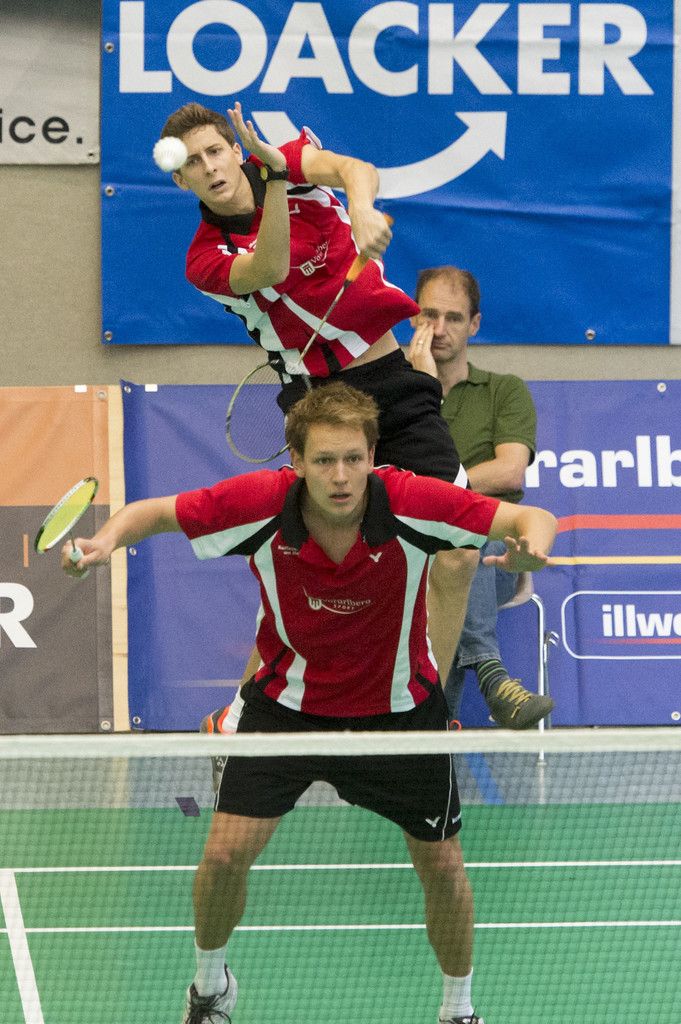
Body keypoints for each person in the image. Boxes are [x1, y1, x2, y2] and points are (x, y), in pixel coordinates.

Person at [61, 382, 557, 1024]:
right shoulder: (260, 505)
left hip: (399, 717)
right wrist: (103, 543)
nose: (342, 476)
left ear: (373, 455)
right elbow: (154, 512)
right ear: (295, 462)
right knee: (221, 856)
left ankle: (458, 1009)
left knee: (443, 867)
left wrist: (534, 543)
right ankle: (209, 988)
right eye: (324, 460)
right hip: (285, 713)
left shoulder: (407, 501)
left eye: (354, 458)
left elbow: (520, 516)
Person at [160, 100, 476, 692]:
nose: (210, 167)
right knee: (316, 570)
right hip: (323, 405)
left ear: (234, 150)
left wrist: (360, 209)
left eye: (216, 151)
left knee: (458, 550)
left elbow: (356, 168)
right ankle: (240, 720)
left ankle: (426, 708)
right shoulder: (205, 259)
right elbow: (271, 265)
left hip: (396, 386)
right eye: (194, 163)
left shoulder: (290, 160)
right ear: (182, 181)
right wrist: (278, 176)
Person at [407, 266, 554, 728]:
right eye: (429, 315)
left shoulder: (504, 390)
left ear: (474, 324)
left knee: (472, 535)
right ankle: (484, 685)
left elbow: (510, 467)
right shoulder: (396, 392)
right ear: (413, 318)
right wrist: (419, 386)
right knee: (450, 543)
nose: (440, 329)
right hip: (410, 553)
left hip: (495, 559)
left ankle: (473, 684)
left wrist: (434, 495)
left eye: (454, 317)